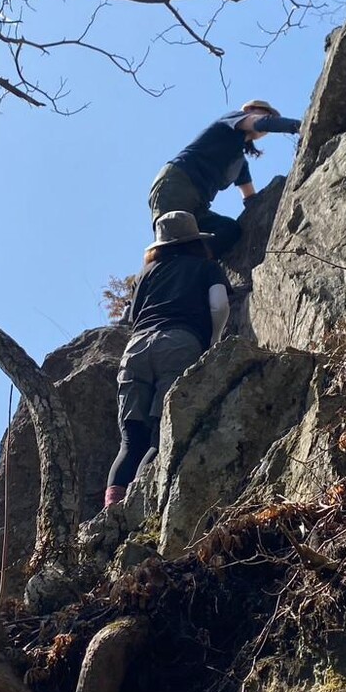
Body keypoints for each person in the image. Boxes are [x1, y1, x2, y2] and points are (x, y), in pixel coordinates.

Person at [103, 211, 230, 509]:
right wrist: (212, 341)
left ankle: (111, 512)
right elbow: (220, 304)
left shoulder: (146, 275)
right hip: (179, 343)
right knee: (161, 437)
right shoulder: (206, 267)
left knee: (130, 442)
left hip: (135, 351)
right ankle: (139, 507)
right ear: (195, 239)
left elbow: (133, 317)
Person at [148, 100, 302, 258]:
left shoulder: (238, 162)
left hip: (198, 204)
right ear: (249, 109)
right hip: (178, 183)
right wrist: (301, 126)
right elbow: (261, 123)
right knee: (169, 245)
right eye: (268, 115)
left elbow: (250, 199)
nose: (270, 121)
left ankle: (198, 267)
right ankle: (160, 272)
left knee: (229, 230)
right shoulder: (231, 119)